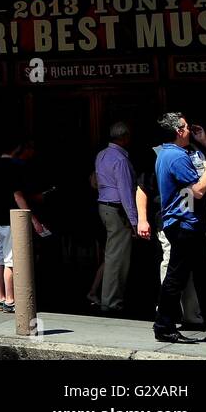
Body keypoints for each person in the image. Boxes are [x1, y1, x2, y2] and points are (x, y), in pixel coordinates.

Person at [154, 112, 206, 344]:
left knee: (201, 277)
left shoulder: (174, 153)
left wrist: (202, 144)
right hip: (183, 224)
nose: (190, 129)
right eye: (187, 126)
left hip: (188, 224)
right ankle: (164, 326)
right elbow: (198, 191)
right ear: (179, 131)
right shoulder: (176, 157)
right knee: (178, 278)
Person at [93, 123, 150, 314]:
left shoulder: (102, 154)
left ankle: (106, 298)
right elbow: (126, 193)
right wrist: (135, 222)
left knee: (112, 255)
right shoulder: (121, 160)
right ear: (125, 138)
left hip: (104, 206)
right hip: (116, 210)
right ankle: (111, 302)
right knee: (118, 258)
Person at [0, 139, 44, 313]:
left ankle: (0, 298)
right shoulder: (12, 167)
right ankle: (10, 300)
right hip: (11, 219)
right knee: (10, 261)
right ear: (16, 149)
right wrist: (33, 219)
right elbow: (18, 196)